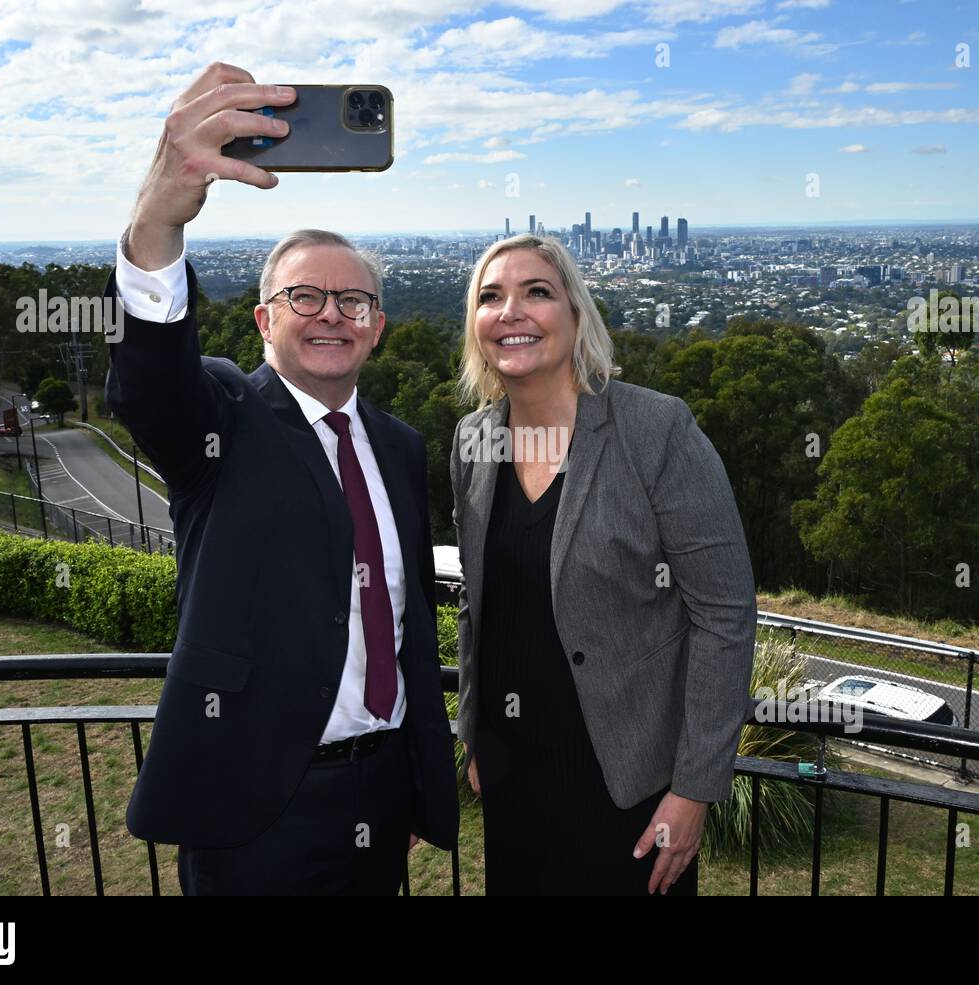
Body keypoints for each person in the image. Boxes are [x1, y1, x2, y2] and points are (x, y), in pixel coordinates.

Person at [106, 62, 458, 895]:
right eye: (304, 296)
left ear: (377, 329)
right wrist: (158, 217)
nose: (331, 313)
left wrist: (413, 778)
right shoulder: (223, 415)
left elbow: (405, 629)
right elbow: (152, 384)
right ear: (263, 319)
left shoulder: (403, 447)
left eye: (354, 302)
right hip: (252, 803)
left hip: (380, 795)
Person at [450, 234, 757, 895]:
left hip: (631, 793)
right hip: (513, 781)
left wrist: (694, 790)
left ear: (577, 315)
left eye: (537, 291)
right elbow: (479, 603)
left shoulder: (655, 430)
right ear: (476, 328)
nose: (512, 310)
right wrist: (473, 730)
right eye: (490, 296)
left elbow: (724, 615)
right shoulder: (473, 440)